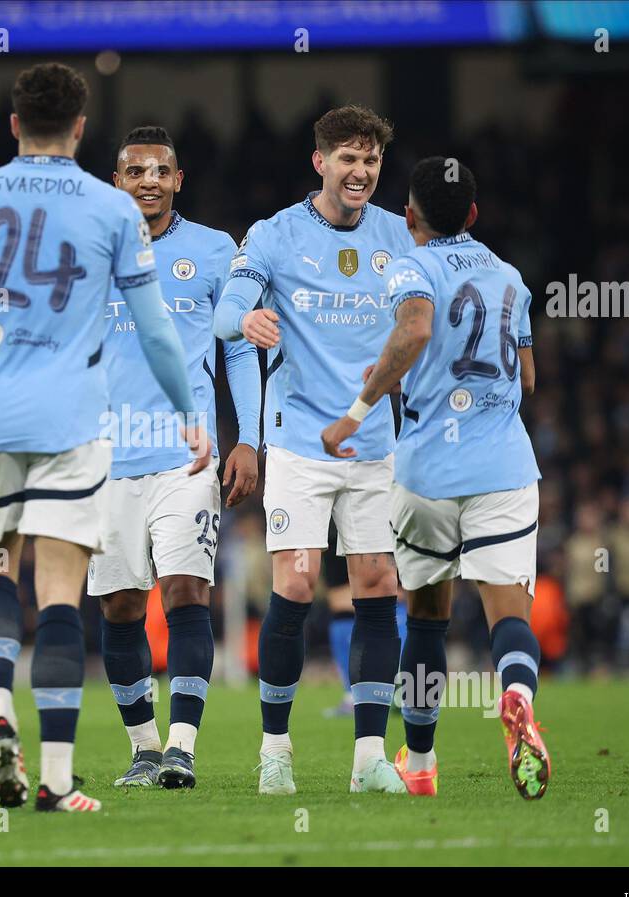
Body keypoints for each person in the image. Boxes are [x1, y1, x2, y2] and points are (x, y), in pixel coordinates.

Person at [0, 64, 209, 813]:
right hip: (75, 425)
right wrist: (187, 413)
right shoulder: (113, 214)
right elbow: (161, 332)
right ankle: (59, 778)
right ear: (78, 129)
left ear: (12, 125)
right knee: (64, 597)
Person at [321, 156, 550, 800]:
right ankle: (515, 695)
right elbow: (528, 379)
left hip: (425, 469)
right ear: (474, 214)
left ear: (409, 216)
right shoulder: (509, 276)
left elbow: (416, 327)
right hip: (504, 466)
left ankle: (419, 765)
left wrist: (356, 413)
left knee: (425, 619)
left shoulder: (411, 266)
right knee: (508, 611)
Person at [214, 106, 413, 795]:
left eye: (372, 162)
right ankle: (275, 749)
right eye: (348, 160)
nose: (361, 173)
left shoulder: (399, 235)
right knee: (296, 584)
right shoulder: (274, 235)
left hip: (373, 445)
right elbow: (221, 315)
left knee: (377, 589)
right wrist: (246, 315)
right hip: (298, 441)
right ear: (320, 162)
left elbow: (423, 324)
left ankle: (369, 759)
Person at [90, 126, 261, 790]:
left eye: (161, 170)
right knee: (121, 608)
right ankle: (142, 747)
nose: (149, 181)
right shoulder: (90, 252)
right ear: (117, 182)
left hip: (187, 457)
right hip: (106, 460)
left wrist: (248, 437)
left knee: (186, 592)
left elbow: (241, 347)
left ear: (179, 180)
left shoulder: (216, 250)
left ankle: (182, 748)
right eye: (136, 171)